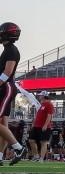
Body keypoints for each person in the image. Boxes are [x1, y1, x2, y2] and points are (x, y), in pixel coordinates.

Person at [0, 23, 28, 162]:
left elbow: (7, 72)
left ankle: (18, 148)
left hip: (5, 88)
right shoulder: (8, 49)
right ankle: (0, 156)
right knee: (3, 123)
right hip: (6, 88)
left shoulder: (11, 50)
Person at [27, 91, 54, 162]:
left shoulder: (49, 105)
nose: (39, 96)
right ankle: (36, 155)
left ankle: (41, 158)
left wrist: (45, 125)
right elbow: (38, 115)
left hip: (44, 126)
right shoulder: (41, 104)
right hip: (37, 125)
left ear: (44, 96)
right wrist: (33, 123)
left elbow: (49, 116)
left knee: (43, 142)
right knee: (31, 140)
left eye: (41, 95)